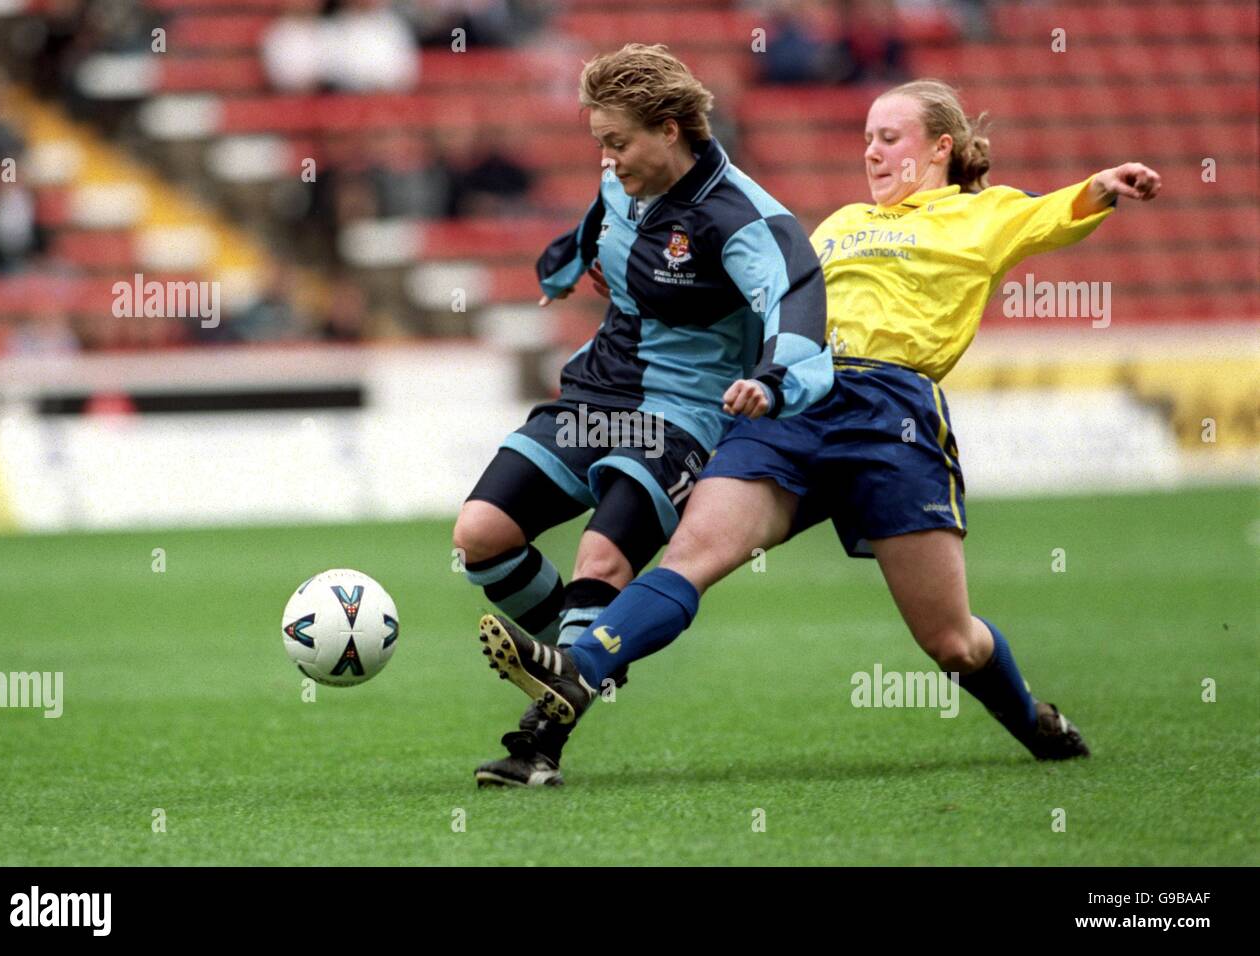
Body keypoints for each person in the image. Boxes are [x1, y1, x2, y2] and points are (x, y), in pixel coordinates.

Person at [478, 78, 1163, 773]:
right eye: (866, 138)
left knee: (952, 643)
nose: (871, 151)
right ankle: (569, 682)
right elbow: (769, 301)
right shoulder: (839, 224)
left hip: (889, 416)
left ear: (941, 148)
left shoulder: (980, 214)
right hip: (797, 401)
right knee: (692, 556)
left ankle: (1032, 721)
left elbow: (1051, 216)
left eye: (888, 138)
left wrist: (1102, 187)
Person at [457, 44, 833, 787]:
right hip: (598, 395)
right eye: (599, 142)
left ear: (669, 129)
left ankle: (540, 745)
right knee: (480, 538)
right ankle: (591, 650)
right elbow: (604, 220)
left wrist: (774, 378)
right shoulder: (624, 179)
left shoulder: (744, 217)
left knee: (602, 559)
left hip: (681, 417)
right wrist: (564, 268)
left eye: (617, 142)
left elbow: (797, 295)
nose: (606, 158)